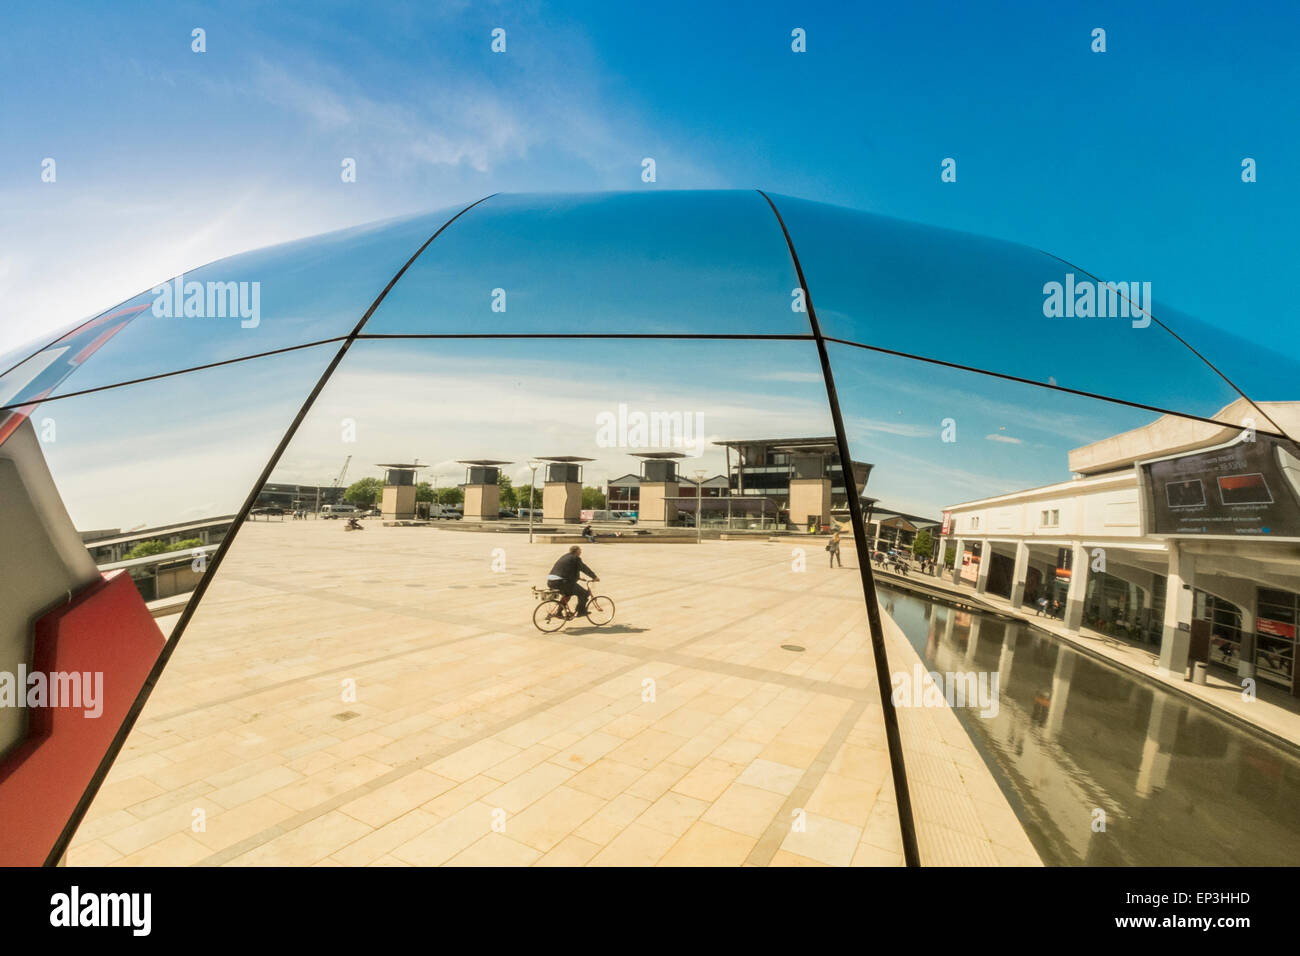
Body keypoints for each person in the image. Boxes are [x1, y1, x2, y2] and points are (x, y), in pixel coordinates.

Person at [547, 545, 599, 617]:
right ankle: (581, 612)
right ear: (577, 551)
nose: (581, 552)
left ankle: (559, 612)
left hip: (551, 581)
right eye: (580, 550)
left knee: (568, 595)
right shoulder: (576, 558)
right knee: (584, 594)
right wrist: (594, 577)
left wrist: (579, 578)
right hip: (561, 582)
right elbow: (584, 568)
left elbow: (566, 570)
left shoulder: (565, 556)